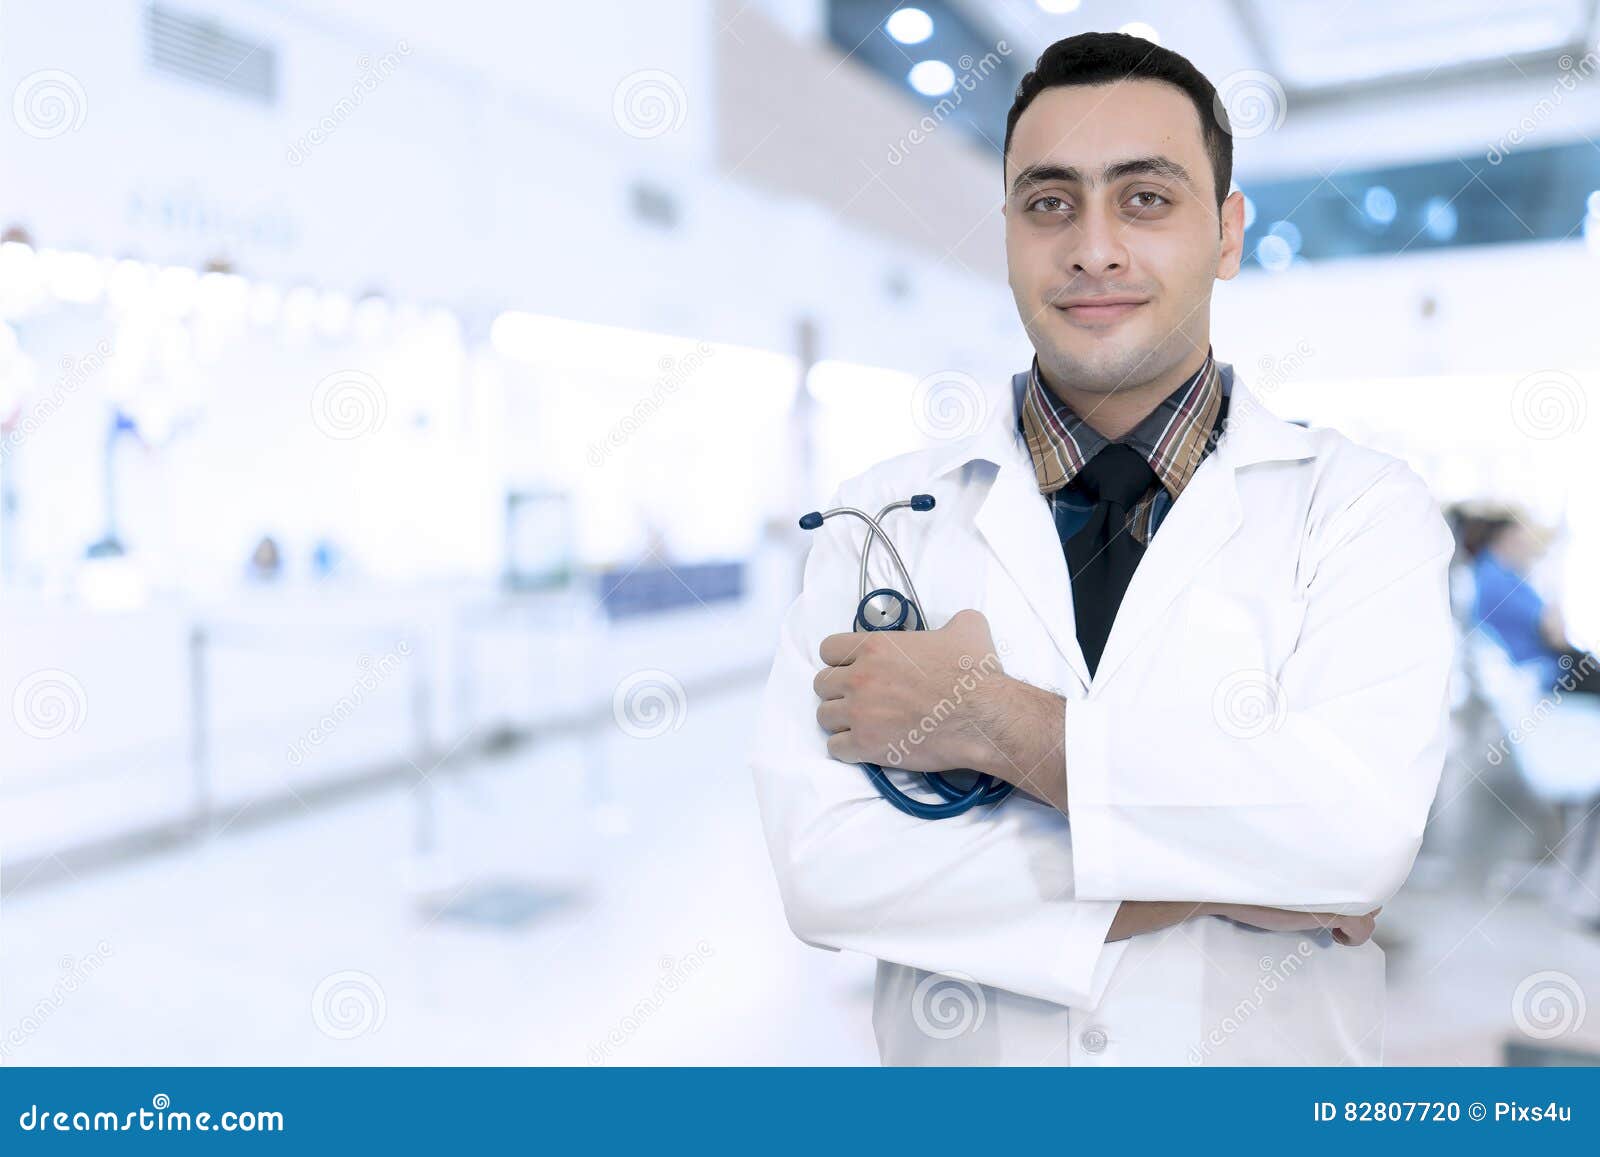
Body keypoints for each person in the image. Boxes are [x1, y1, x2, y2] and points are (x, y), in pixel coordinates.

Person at [751, 32, 1456, 1065]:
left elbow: (1355, 838)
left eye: (1144, 199)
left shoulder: (1360, 509)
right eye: (1049, 203)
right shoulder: (883, 520)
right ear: (1006, 233)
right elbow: (829, 873)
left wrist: (993, 721)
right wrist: (1228, 872)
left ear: (1225, 231)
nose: (1092, 247)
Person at [1465, 513, 1599, 696]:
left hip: (1543, 666)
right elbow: (1554, 632)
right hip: (1542, 671)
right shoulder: (1497, 580)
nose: (1529, 546)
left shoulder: (1494, 573)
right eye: (1523, 539)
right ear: (1507, 539)